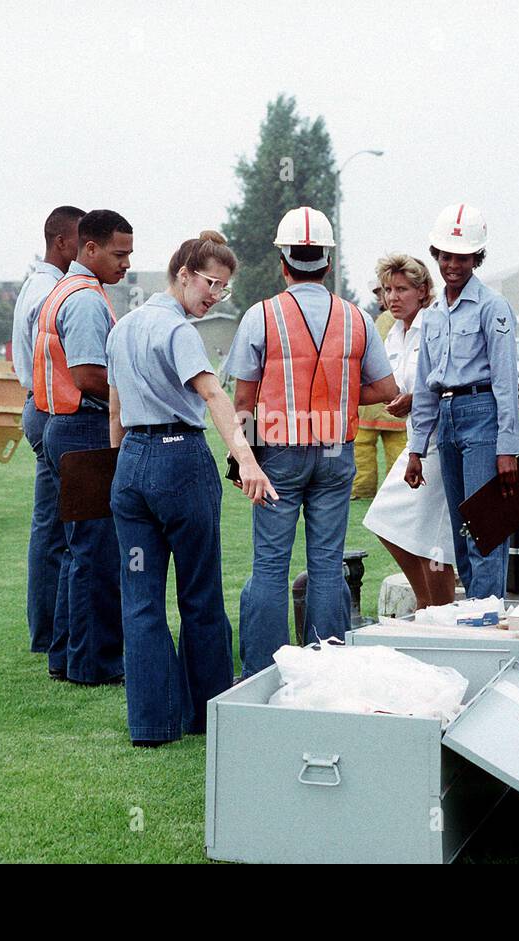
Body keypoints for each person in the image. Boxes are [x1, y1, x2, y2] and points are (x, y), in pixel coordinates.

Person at [107, 230, 277, 746]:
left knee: (140, 602)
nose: (214, 296)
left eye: (224, 290)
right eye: (210, 284)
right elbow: (212, 396)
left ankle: (152, 725)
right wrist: (246, 459)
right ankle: (206, 714)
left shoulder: (123, 328)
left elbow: (115, 410)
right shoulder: (179, 331)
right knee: (200, 595)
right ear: (182, 273)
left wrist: (122, 468)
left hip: (131, 463)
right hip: (180, 460)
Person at [227, 206, 397, 677]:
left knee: (270, 569)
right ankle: (329, 672)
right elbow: (386, 389)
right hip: (335, 453)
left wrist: (244, 458)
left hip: (277, 451)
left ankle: (262, 672)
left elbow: (243, 399)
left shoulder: (261, 316)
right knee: (325, 566)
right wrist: (339, 398)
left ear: (284, 261)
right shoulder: (358, 318)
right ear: (327, 262)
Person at [31, 209, 132, 684]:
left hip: (61, 426)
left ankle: (66, 656)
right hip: (85, 428)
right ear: (89, 249)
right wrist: (139, 386)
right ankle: (96, 663)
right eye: (119, 253)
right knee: (96, 552)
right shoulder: (88, 300)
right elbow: (89, 376)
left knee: (75, 551)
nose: (127, 263)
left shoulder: (62, 289)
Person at [404, 203, 519, 599]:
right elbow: (424, 389)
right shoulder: (432, 314)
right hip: (448, 420)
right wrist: (415, 449)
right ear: (436, 255)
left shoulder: (492, 307)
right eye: (447, 255)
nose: (453, 264)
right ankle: (475, 612)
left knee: (486, 528)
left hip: (482, 414)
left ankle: (488, 621)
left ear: (476, 258)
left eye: (463, 256)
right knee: (462, 529)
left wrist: (507, 448)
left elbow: (506, 383)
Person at [362, 254, 457, 608]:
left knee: (432, 537)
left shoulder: (436, 324)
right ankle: (426, 600)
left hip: (442, 439)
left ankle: (439, 609)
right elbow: (387, 385)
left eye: (402, 289)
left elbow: (448, 381)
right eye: (387, 290)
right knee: (384, 520)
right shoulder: (393, 333)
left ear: (423, 291)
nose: (392, 297)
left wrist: (414, 399)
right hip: (416, 442)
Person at [12, 206, 83, 655]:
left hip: (41, 407)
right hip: (52, 409)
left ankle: (47, 631)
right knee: (65, 531)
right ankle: (56, 633)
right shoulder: (49, 291)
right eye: (83, 241)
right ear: (62, 242)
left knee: (50, 527)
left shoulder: (39, 285)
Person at [351, 282, 407, 499]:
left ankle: (362, 491)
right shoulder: (396, 320)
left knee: (364, 450)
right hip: (394, 402)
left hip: (374, 400)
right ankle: (399, 490)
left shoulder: (380, 322)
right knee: (397, 452)